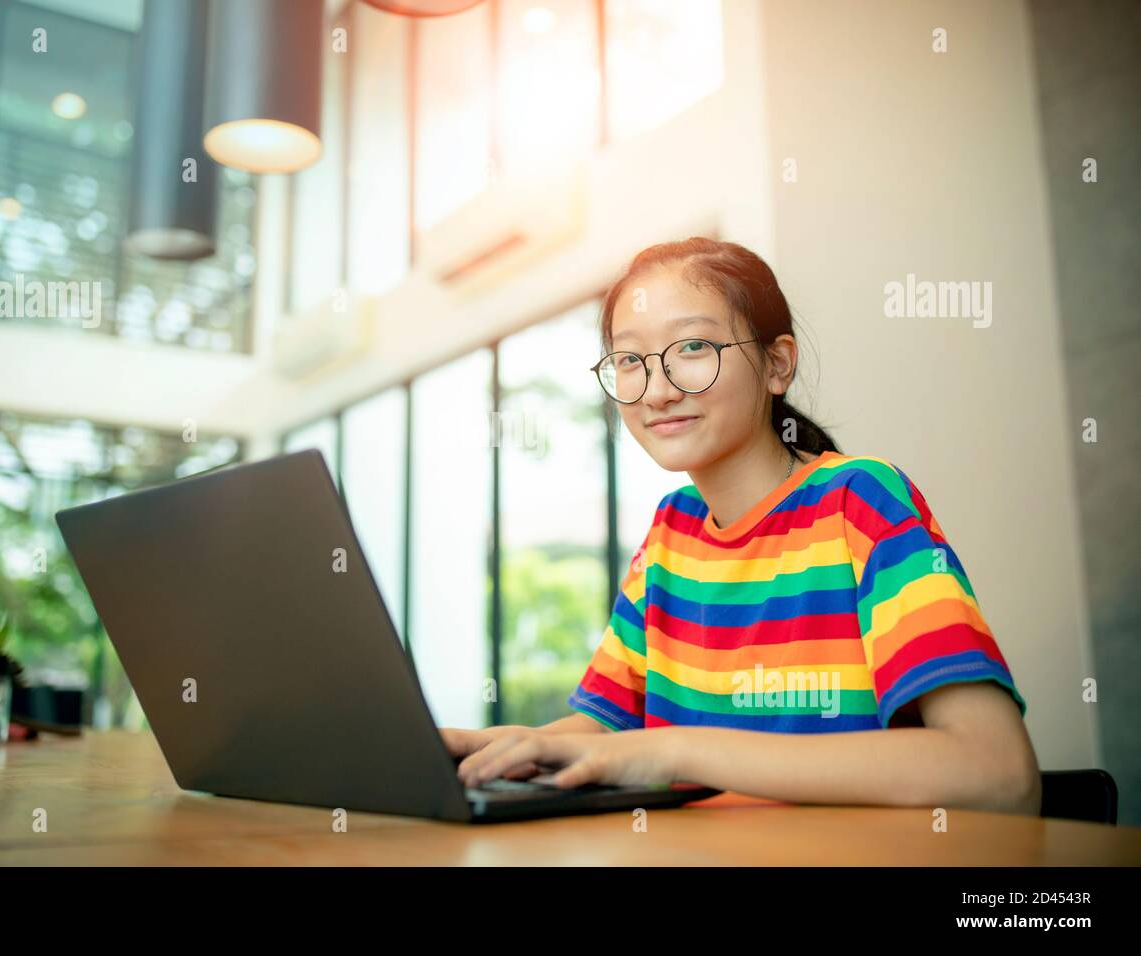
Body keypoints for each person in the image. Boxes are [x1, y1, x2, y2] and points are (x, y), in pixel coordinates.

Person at [441, 237, 1041, 815]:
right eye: (629, 360)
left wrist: (679, 748)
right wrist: (488, 747)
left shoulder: (859, 501)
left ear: (776, 364)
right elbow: (603, 730)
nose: (657, 389)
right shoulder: (671, 533)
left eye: (694, 347)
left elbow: (996, 772)